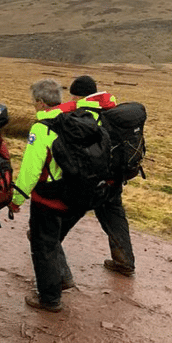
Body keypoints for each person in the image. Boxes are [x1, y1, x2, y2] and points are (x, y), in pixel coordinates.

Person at [9, 78, 86, 312]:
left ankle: (50, 298)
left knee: (43, 245)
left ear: (41, 103)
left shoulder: (42, 128)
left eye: (34, 102)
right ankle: (63, 278)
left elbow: (31, 171)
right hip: (77, 191)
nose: (33, 106)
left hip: (48, 197)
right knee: (53, 240)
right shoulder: (79, 120)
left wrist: (16, 199)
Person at [68, 75, 135, 276]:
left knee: (68, 209)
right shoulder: (112, 109)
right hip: (115, 175)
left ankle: (44, 242)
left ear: (77, 95)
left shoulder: (83, 114)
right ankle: (125, 260)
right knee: (114, 215)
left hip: (93, 177)